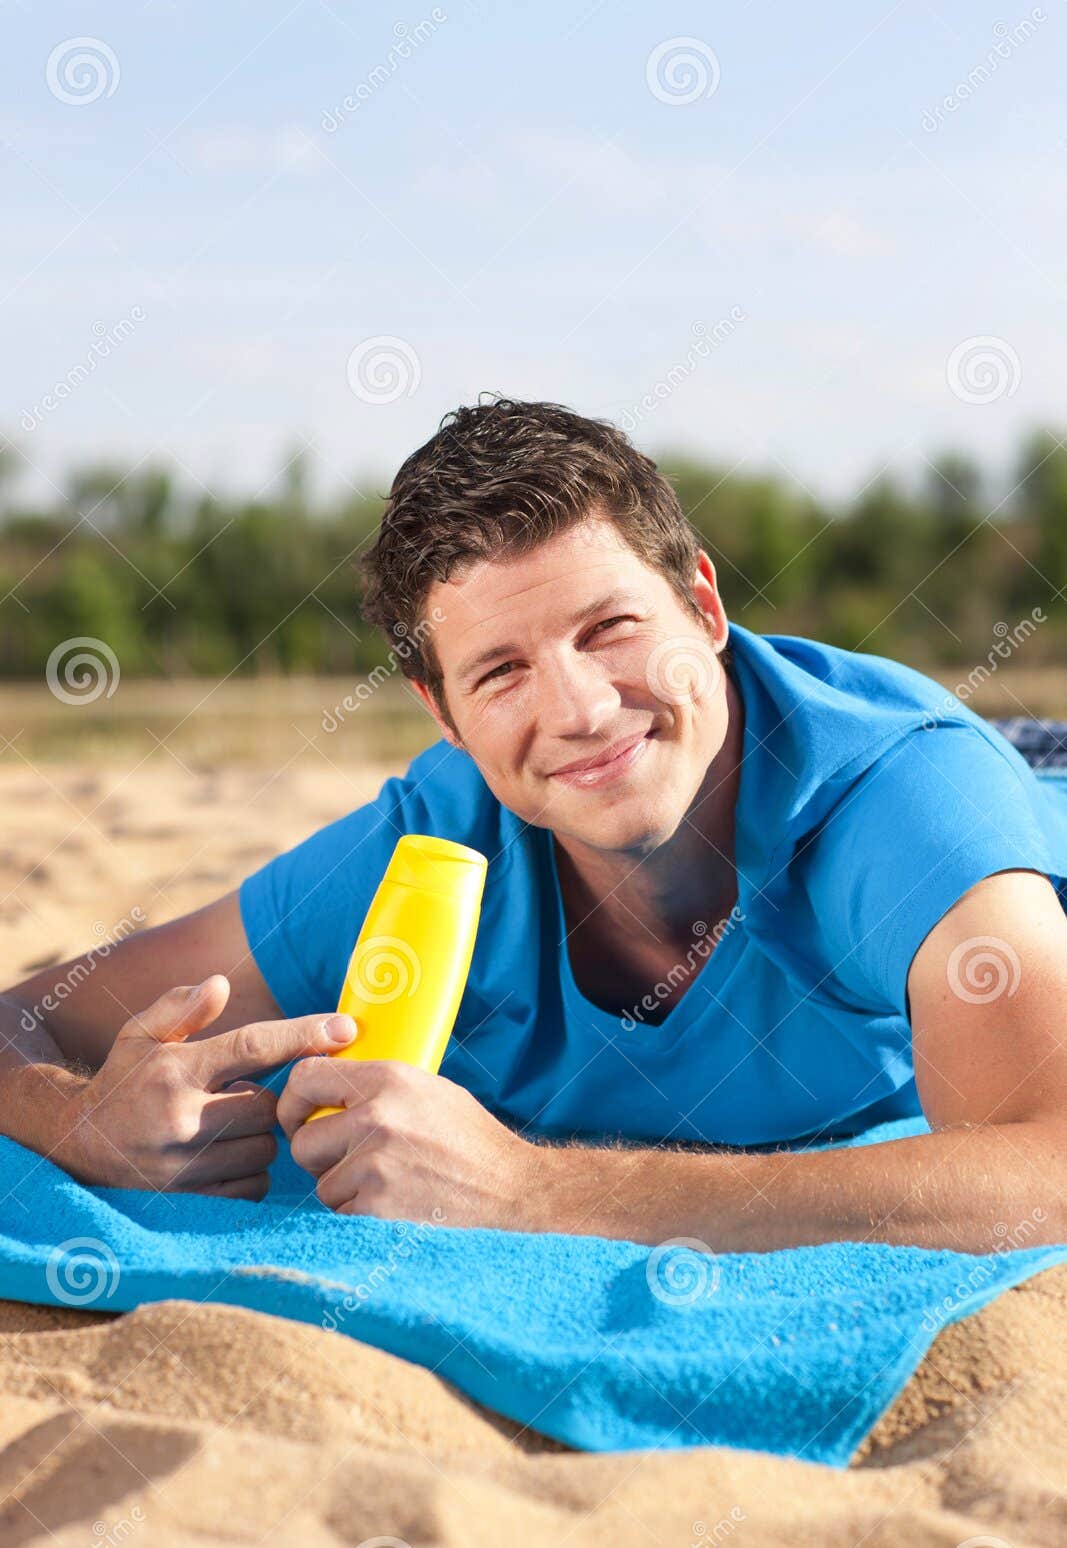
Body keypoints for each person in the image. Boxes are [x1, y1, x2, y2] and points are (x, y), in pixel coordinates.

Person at [3, 398, 1067, 1253]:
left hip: (1022, 778)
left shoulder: (899, 803)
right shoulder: (432, 840)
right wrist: (77, 1119)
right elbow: (24, 1021)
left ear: (701, 605)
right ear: (443, 714)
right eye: (500, 671)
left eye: (609, 629)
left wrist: (531, 1187)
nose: (578, 710)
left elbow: (1047, 1171)